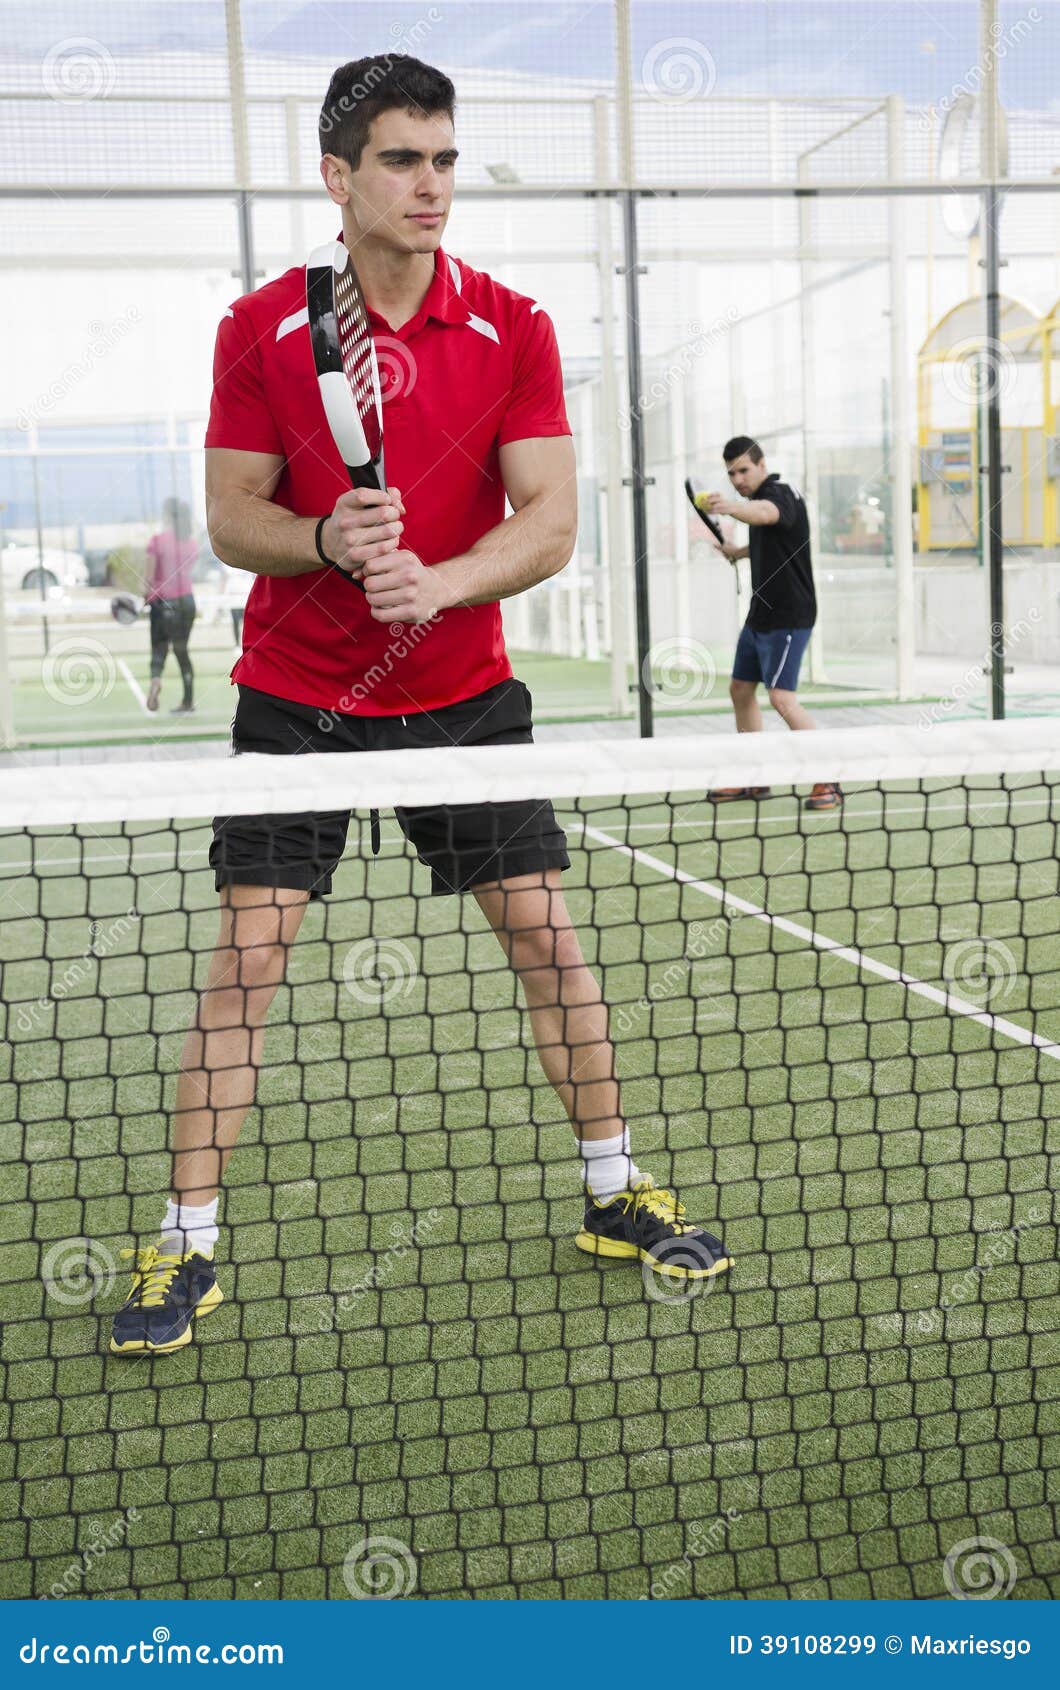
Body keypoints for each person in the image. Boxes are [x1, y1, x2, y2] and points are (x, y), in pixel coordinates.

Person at [110, 53, 732, 1356]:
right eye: (402, 159)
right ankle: (185, 1241)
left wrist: (436, 580)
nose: (430, 184)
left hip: (461, 695)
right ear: (338, 176)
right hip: (296, 698)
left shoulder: (513, 324)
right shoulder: (265, 329)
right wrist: (329, 537)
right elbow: (233, 517)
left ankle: (614, 1190)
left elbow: (551, 520)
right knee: (248, 962)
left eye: (445, 159)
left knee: (549, 943)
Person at [694, 436, 840, 812]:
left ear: (761, 465)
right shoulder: (756, 501)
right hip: (760, 614)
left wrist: (730, 507)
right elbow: (769, 537)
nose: (738, 478)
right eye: (731, 474)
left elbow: (768, 515)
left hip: (790, 615)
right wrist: (739, 552)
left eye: (743, 470)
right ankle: (753, 778)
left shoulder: (779, 493)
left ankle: (829, 776)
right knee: (741, 689)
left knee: (780, 697)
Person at [144, 497, 198, 714]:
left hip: (163, 602)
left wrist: (145, 596)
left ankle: (156, 681)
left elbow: (149, 579)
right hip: (187, 602)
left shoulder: (157, 541)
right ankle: (188, 702)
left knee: (159, 648)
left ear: (167, 515)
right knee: (182, 651)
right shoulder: (192, 543)